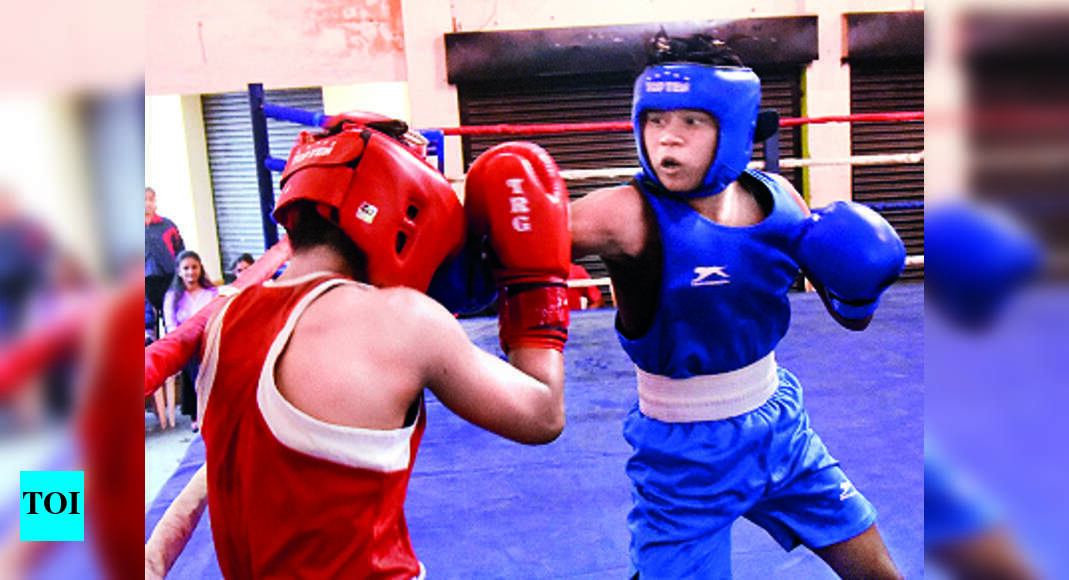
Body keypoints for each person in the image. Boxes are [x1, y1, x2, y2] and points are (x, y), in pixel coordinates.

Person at [145, 115, 570, 578]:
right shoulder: (402, 320)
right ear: (401, 209)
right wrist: (534, 283)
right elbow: (542, 413)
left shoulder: (227, 317)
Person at [569, 34, 906, 579]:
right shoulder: (624, 215)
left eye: (691, 122)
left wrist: (861, 282)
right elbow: (505, 249)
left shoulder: (782, 203)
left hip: (782, 429)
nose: (668, 139)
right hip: (684, 459)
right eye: (656, 120)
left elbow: (852, 314)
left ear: (735, 126)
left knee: (880, 574)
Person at [160, 250, 217, 431]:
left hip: (209, 344)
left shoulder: (211, 292)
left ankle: (211, 411)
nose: (190, 272)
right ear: (179, 271)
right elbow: (170, 325)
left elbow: (217, 318)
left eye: (194, 267)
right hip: (185, 347)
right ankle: (198, 414)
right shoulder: (172, 296)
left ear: (200, 268)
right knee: (193, 366)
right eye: (186, 268)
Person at [145, 186, 185, 337]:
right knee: (147, 320)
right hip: (143, 280)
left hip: (168, 277)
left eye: (151, 199)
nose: (147, 203)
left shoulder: (168, 226)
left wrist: (181, 273)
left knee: (170, 315)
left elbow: (180, 250)